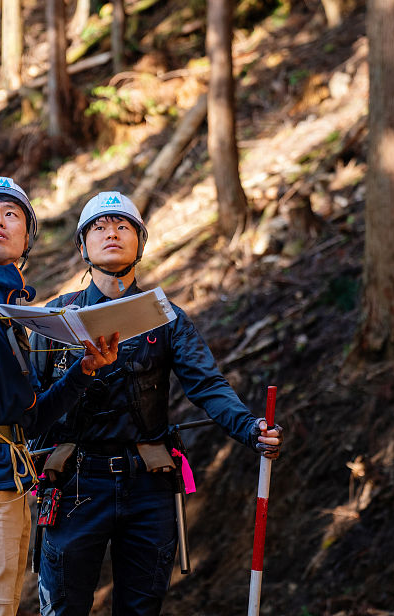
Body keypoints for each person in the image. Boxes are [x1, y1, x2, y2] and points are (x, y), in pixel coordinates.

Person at [29, 191, 283, 616]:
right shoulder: (54, 320)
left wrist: (249, 428)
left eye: (123, 226)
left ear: (140, 243)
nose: (111, 233)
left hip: (148, 485)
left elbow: (207, 384)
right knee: (62, 608)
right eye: (99, 227)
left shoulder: (166, 317)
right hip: (73, 484)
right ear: (82, 246)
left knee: (142, 609)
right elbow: (30, 404)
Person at [0, 176, 120, 616]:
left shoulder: (13, 312)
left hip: (9, 488)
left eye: (11, 214)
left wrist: (84, 371)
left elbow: (30, 419)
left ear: (28, 237)